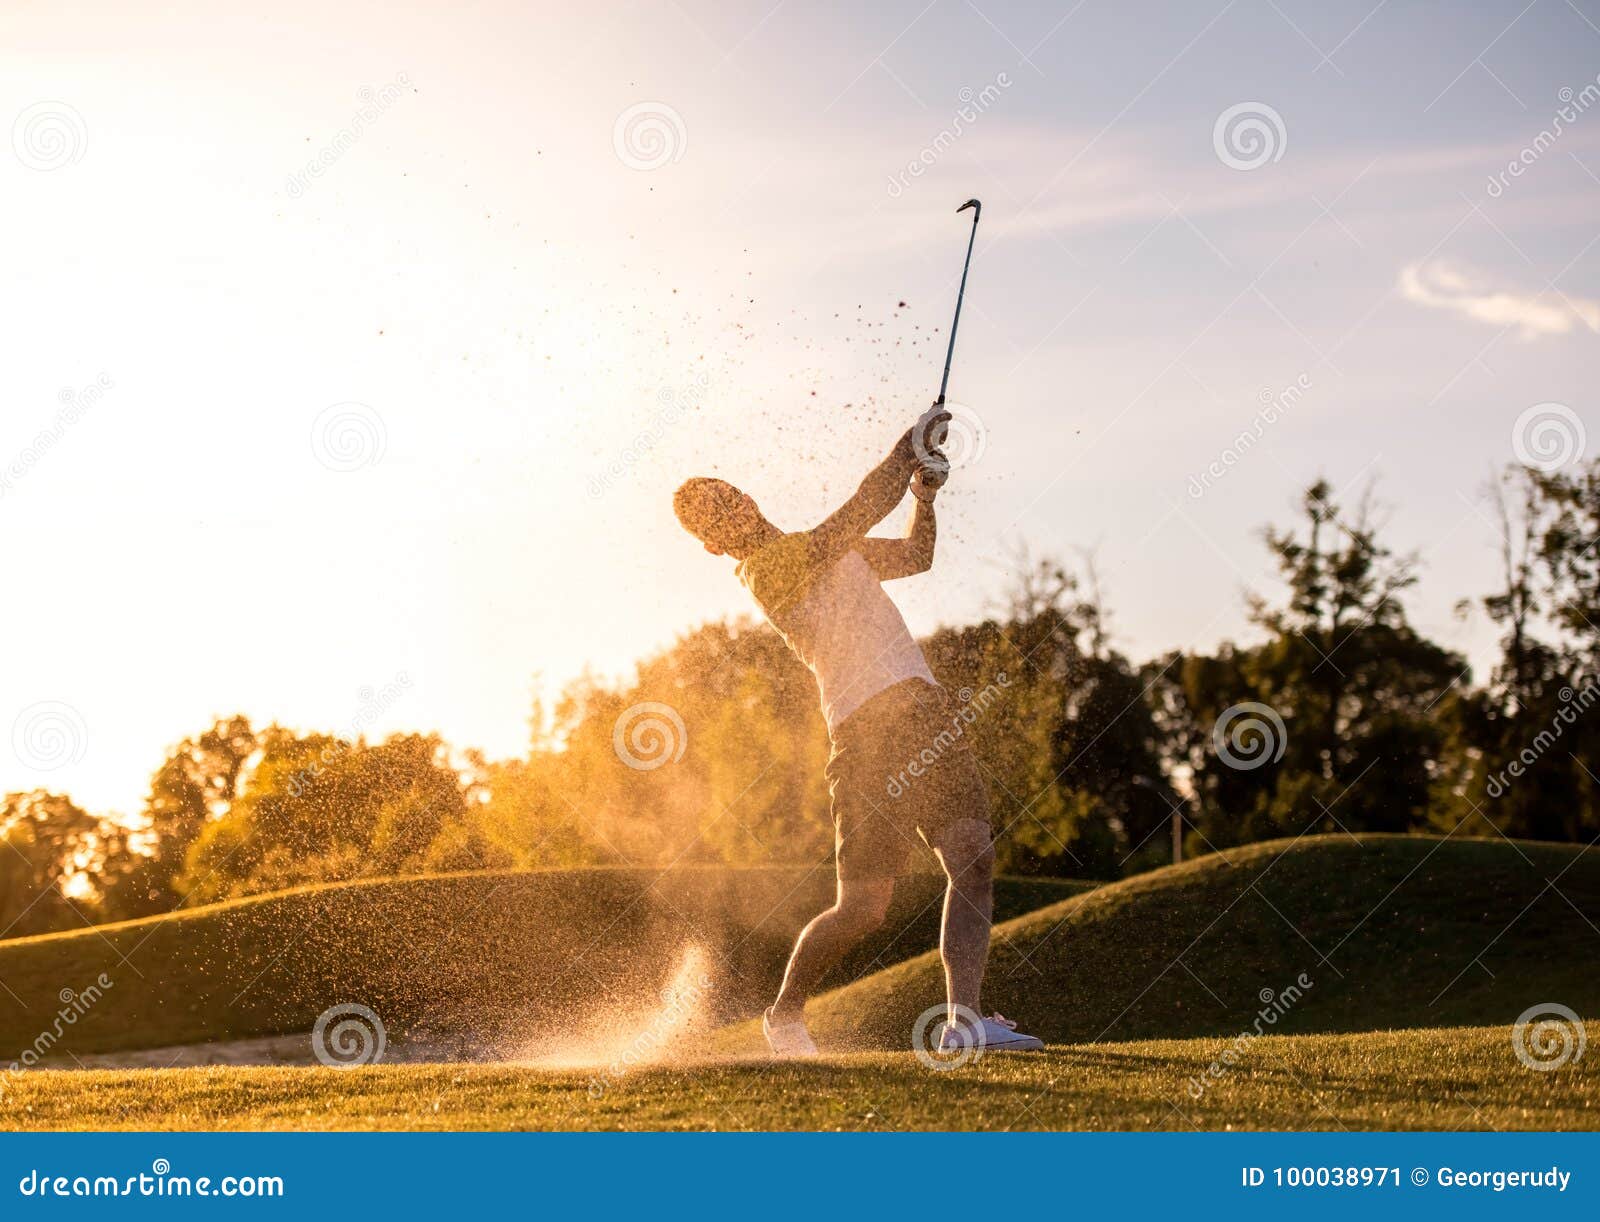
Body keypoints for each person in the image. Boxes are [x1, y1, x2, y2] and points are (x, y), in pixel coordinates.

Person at [672, 407, 1043, 1058]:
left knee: (974, 860)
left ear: (746, 495)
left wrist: (924, 499)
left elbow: (916, 556)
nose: (731, 511)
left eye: (728, 497)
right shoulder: (770, 569)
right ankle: (784, 1014)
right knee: (865, 908)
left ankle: (964, 1019)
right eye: (715, 517)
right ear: (712, 544)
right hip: (863, 734)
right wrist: (909, 449)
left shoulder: (833, 552)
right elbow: (859, 510)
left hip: (922, 709)